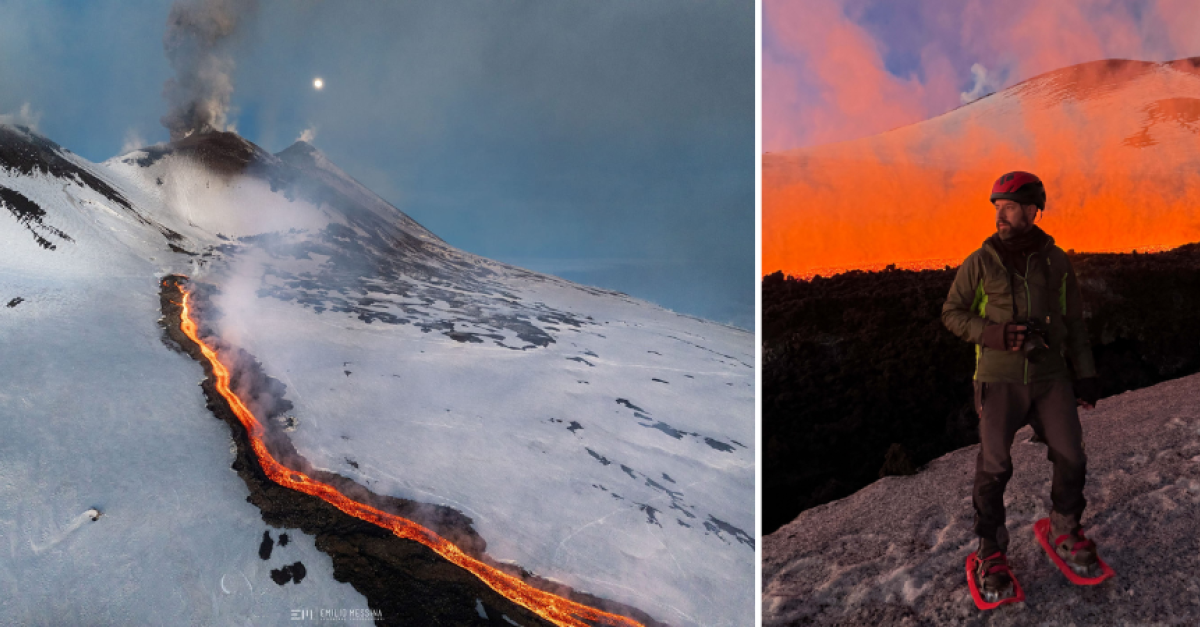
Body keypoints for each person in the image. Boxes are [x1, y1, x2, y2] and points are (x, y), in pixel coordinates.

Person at [941, 171, 1103, 602]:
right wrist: (993, 334)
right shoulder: (980, 261)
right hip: (998, 379)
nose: (1001, 216)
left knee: (1071, 455)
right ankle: (990, 551)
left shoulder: (1057, 261)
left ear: (1032, 210)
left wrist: (1085, 374)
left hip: (1051, 377)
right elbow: (952, 313)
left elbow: (1073, 322)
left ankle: (1065, 528)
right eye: (997, 208)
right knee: (994, 467)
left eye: (1010, 207)